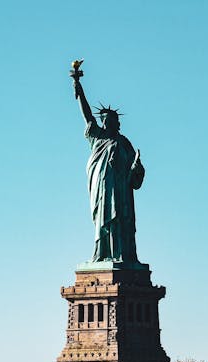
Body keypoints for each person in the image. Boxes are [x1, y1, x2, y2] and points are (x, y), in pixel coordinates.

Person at [72, 74, 145, 263]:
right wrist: (79, 90)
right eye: (105, 120)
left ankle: (123, 255)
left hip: (121, 192)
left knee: (121, 220)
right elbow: (87, 115)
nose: (109, 123)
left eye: (112, 120)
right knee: (103, 221)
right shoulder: (98, 137)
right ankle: (102, 254)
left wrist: (137, 167)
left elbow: (135, 177)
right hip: (102, 190)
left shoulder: (124, 143)